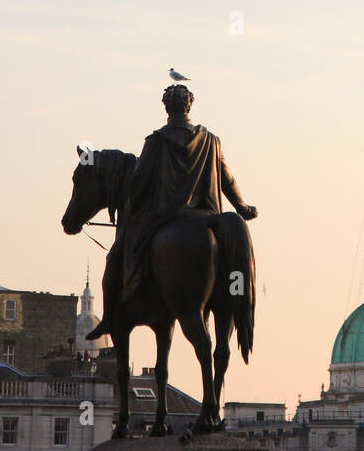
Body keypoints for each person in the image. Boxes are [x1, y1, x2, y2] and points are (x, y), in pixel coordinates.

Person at [87, 84, 256, 339]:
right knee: (231, 278)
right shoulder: (211, 141)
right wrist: (242, 207)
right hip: (209, 215)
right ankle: (229, 327)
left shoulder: (156, 141)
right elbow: (227, 180)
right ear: (189, 106)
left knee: (115, 258)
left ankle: (111, 316)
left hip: (166, 217)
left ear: (166, 107)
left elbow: (137, 183)